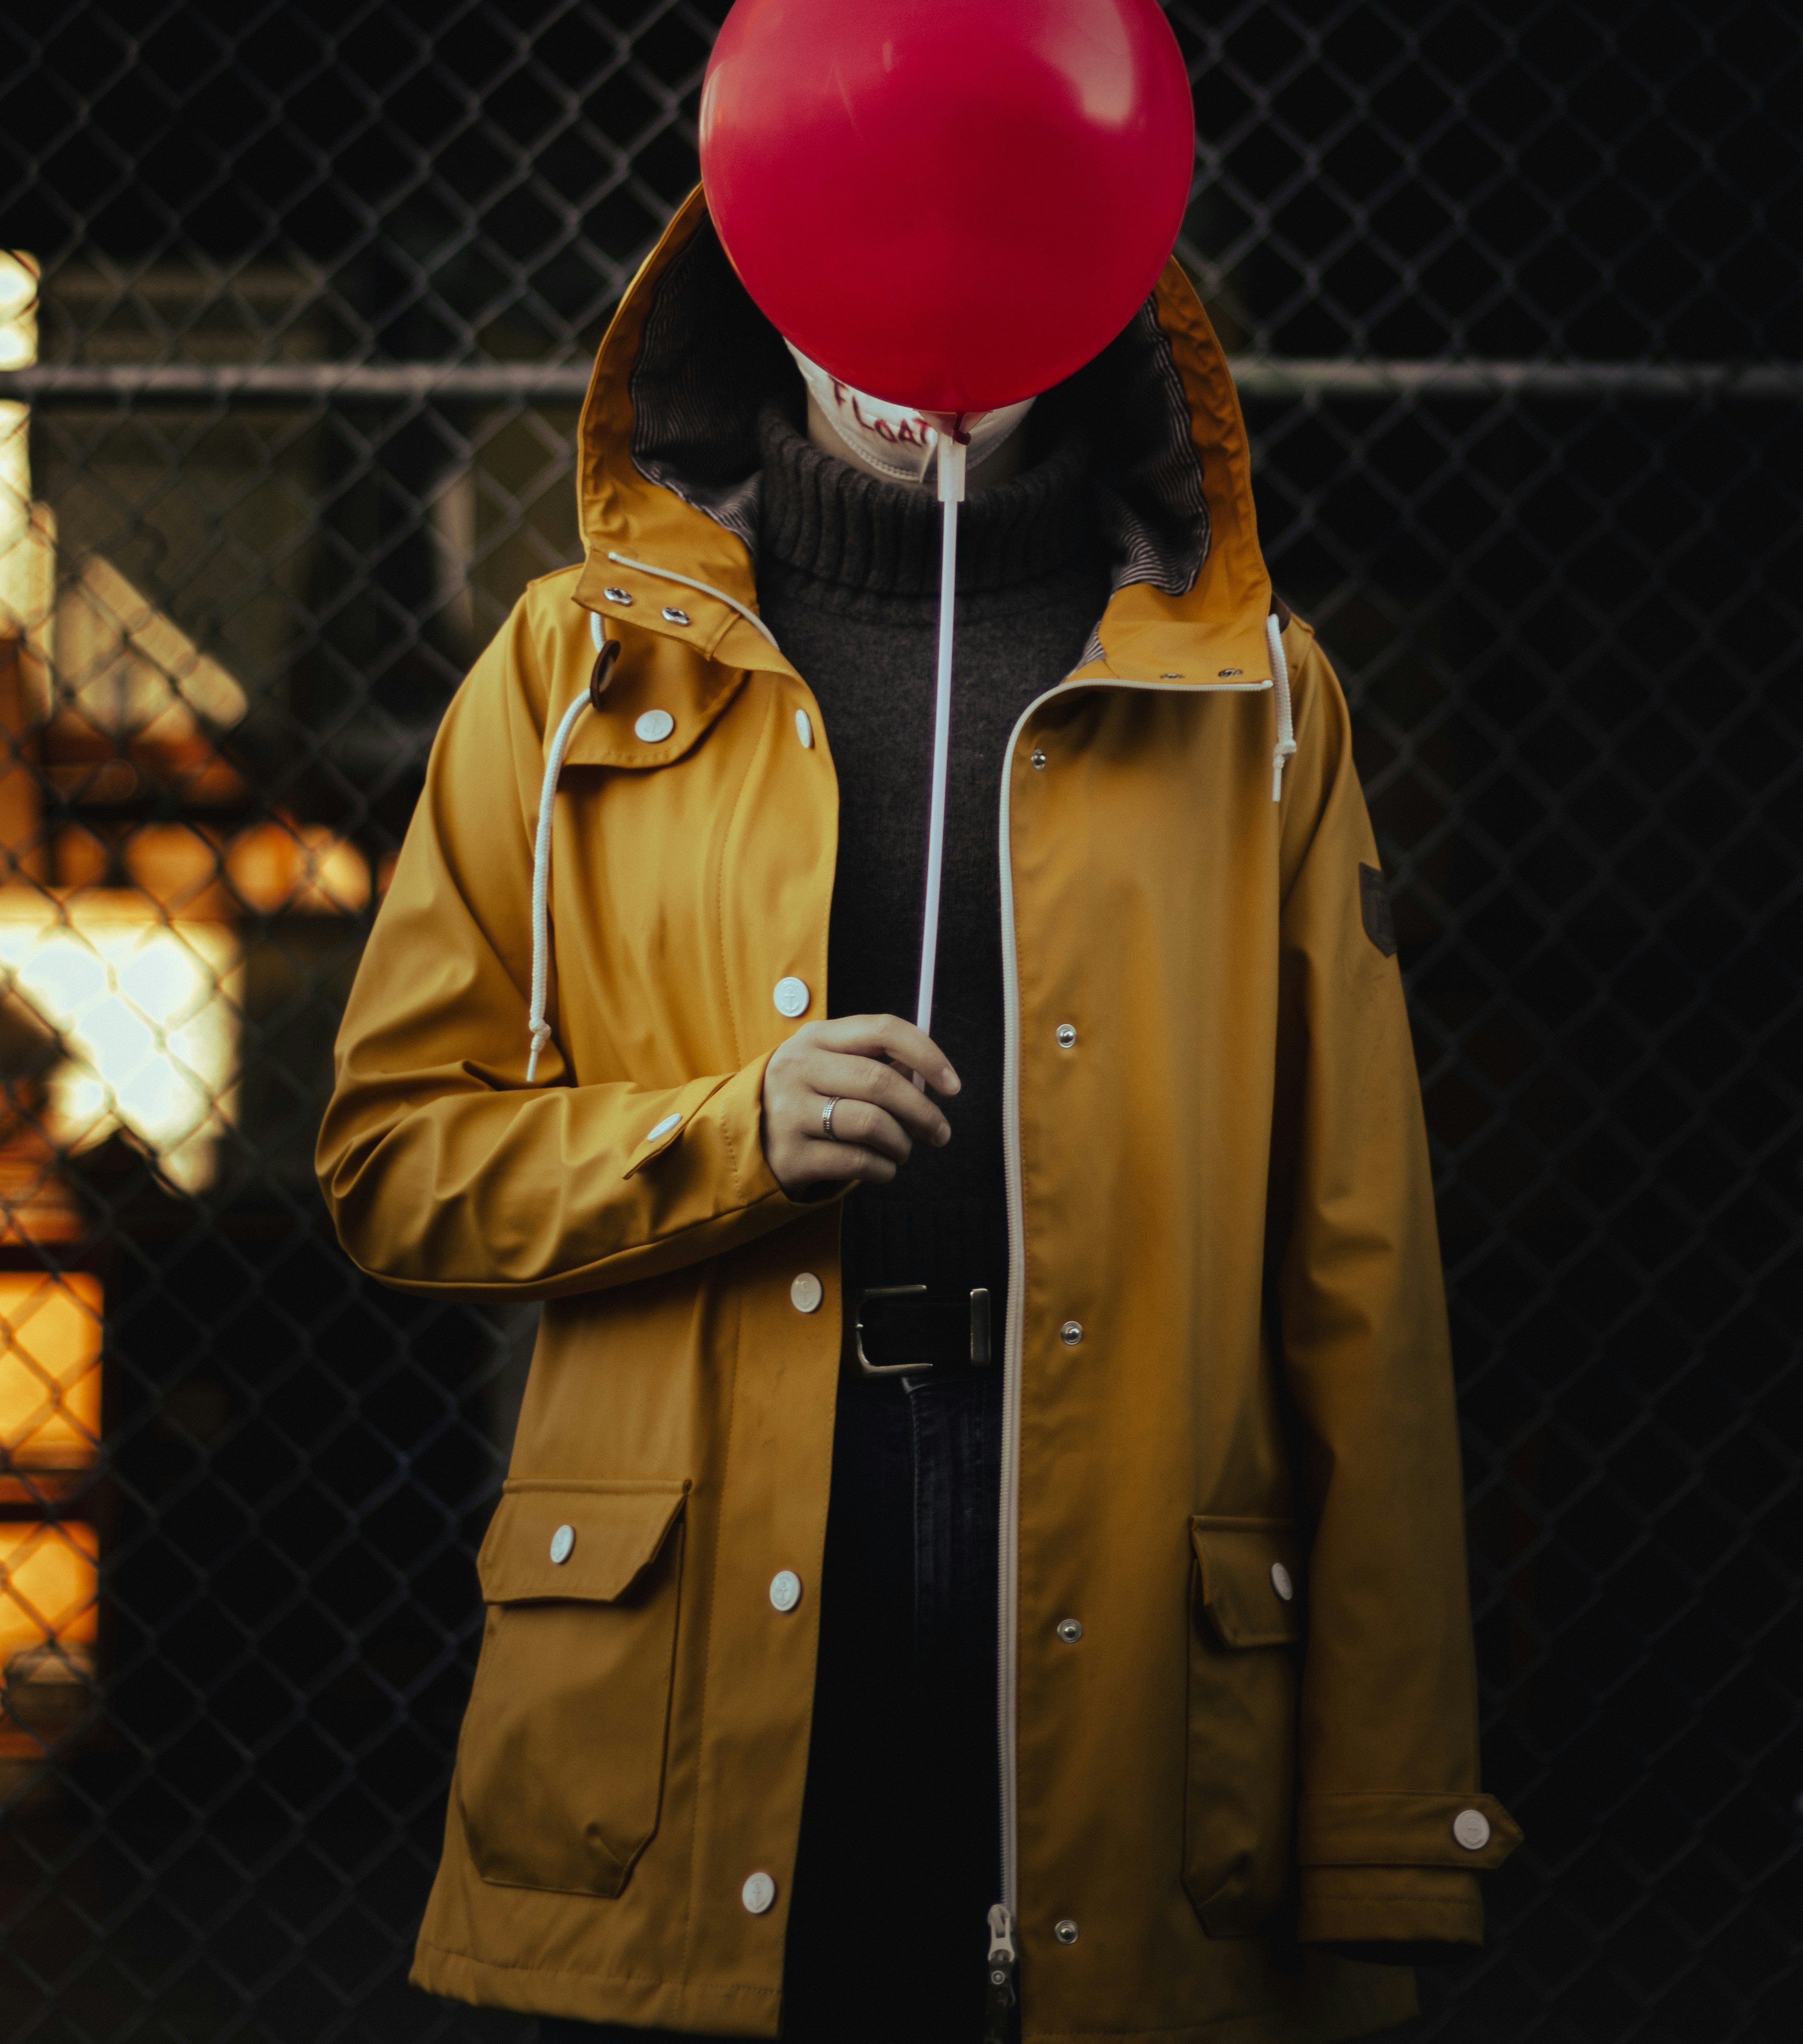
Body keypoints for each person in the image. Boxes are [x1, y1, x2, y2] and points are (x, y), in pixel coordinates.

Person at [317, 184, 1519, 2044]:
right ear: (763, 277)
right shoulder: (573, 670)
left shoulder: (1259, 693)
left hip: (1126, 1564)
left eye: (989, 273)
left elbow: (1359, 1261)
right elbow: (396, 1158)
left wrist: (1383, 1823)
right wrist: (729, 1135)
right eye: (864, 278)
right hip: (714, 1551)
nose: (924, 357)